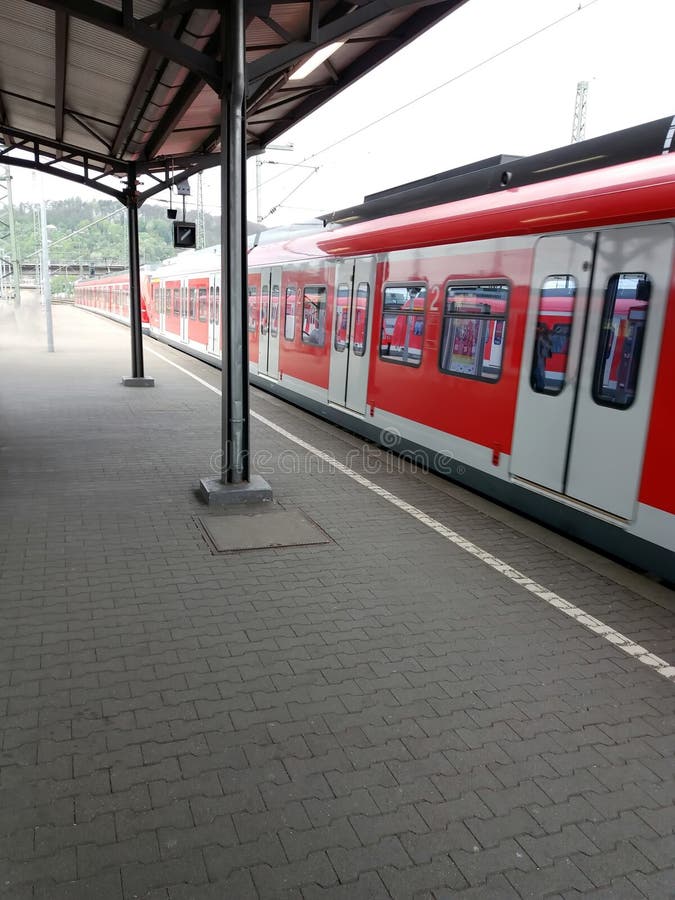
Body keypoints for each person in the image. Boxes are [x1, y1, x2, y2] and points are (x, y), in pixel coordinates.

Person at [532, 321, 552, 392]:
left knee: (540, 372)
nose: (538, 330)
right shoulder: (534, 335)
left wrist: (542, 338)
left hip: (540, 357)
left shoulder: (545, 335)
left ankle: (540, 387)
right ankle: (533, 385)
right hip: (533, 357)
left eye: (539, 328)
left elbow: (549, 346)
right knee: (534, 372)